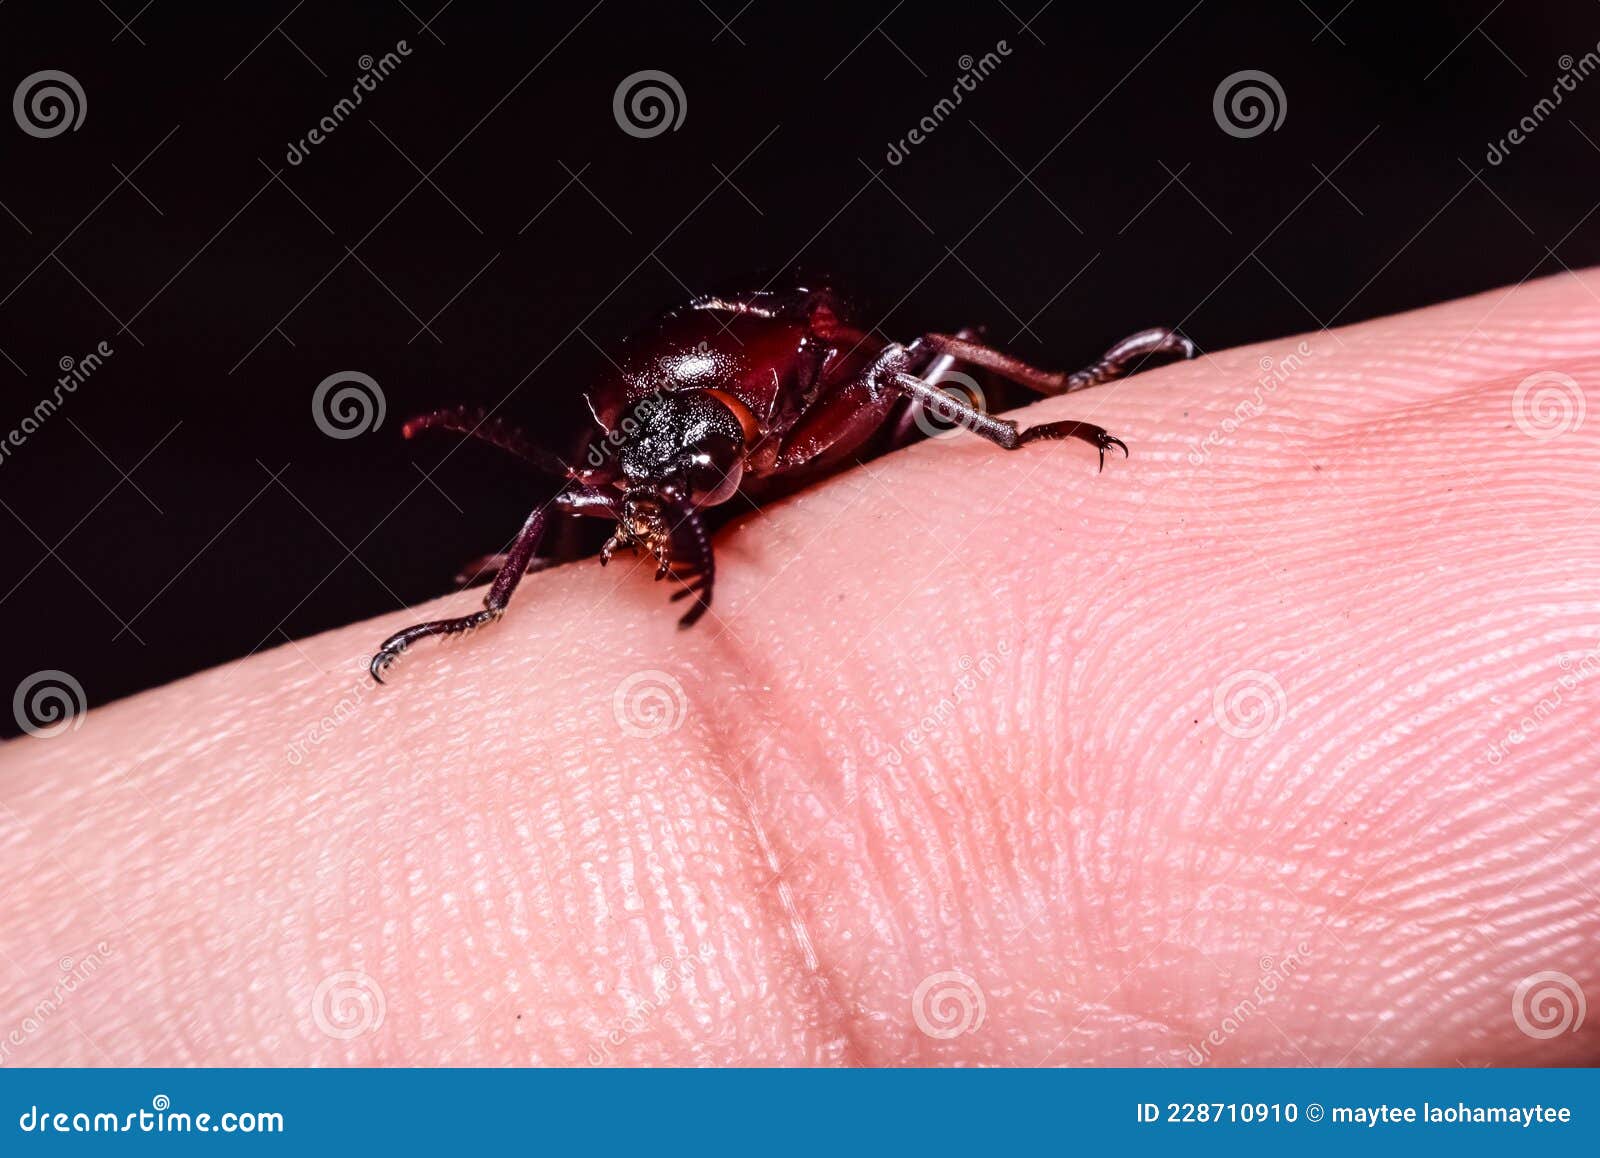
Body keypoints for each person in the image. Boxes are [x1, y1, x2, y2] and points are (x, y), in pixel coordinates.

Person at [1, 274, 1596, 1066]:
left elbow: (902, 357)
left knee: (930, 363)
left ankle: (1042, 396)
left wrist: (1031, 405)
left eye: (681, 485)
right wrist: (502, 600)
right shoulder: (633, 452)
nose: (654, 510)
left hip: (820, 381)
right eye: (638, 487)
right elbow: (580, 496)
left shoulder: (802, 381)